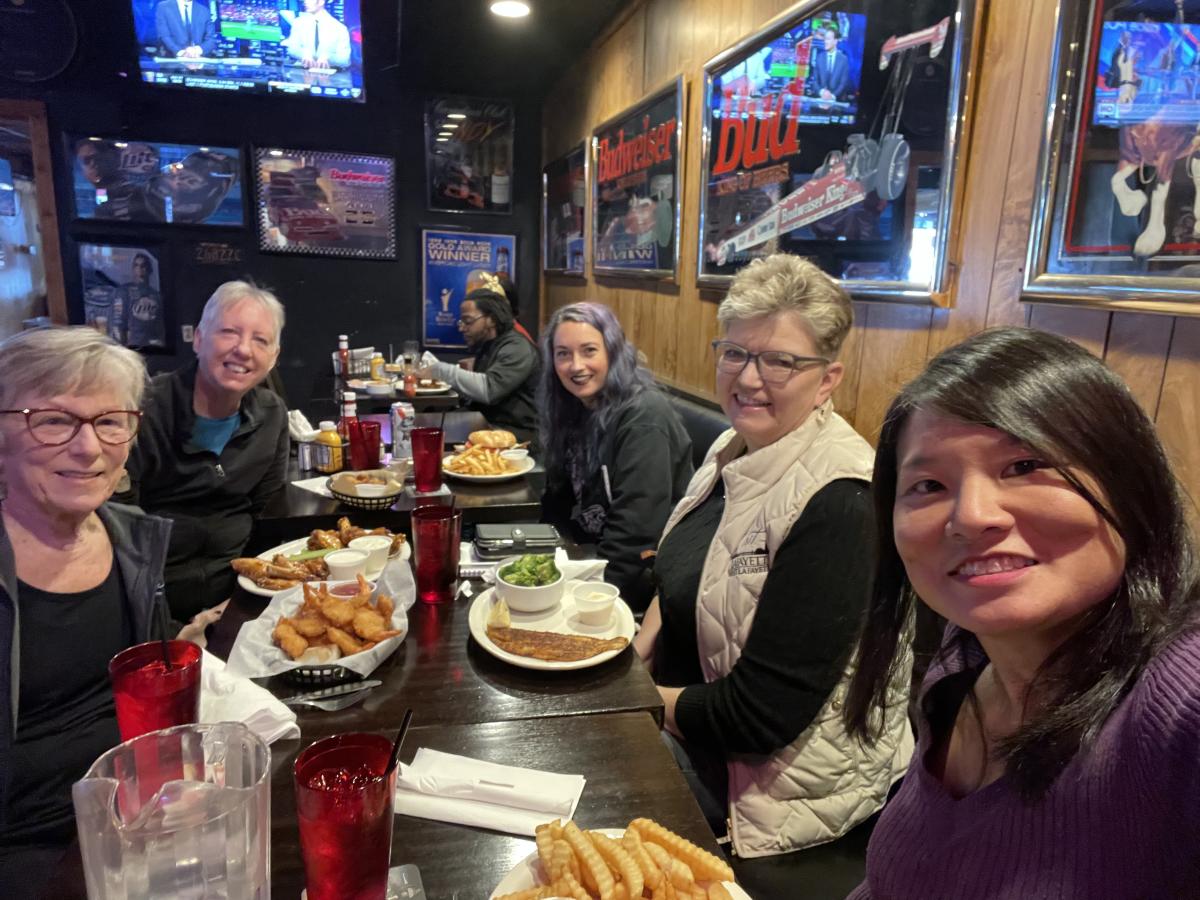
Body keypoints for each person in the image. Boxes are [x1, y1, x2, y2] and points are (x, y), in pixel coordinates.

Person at [842, 327, 1200, 898]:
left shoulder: (1182, 706)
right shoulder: (960, 667)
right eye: (928, 484)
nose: (972, 516)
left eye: (1026, 465)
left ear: (1131, 480)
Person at [632, 254, 913, 858]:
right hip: (691, 716)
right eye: (735, 353)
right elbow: (685, 572)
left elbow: (758, 717)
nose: (748, 378)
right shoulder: (735, 448)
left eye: (780, 360)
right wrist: (632, 656)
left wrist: (625, 698)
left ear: (828, 378)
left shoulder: (843, 502)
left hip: (767, 791)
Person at [0, 328, 173, 899]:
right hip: (31, 850)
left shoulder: (132, 542)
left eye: (109, 421)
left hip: (145, 811)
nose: (88, 448)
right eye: (52, 421)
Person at [119, 281, 289, 622]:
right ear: (198, 338)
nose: (243, 349)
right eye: (229, 332)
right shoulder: (142, 410)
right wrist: (165, 628)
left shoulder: (272, 415)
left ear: (273, 358)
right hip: (150, 606)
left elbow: (266, 516)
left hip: (238, 598)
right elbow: (120, 531)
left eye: (261, 340)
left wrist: (247, 603)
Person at [540, 302, 692, 613]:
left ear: (613, 351)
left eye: (589, 350)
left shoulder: (644, 416)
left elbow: (637, 533)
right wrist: (543, 554)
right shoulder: (574, 407)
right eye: (563, 354)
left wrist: (587, 603)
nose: (575, 365)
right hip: (591, 553)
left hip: (644, 580)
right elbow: (558, 496)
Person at [419, 282, 540, 443]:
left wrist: (440, 370)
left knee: (428, 438)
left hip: (513, 435)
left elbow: (490, 390)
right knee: (422, 427)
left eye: (468, 321)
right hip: (486, 423)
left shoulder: (517, 347)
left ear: (491, 319)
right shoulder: (488, 344)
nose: (462, 328)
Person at [281, 0, 352, 70]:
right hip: (302, 73)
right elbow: (291, 49)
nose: (305, 2)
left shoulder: (339, 28)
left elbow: (345, 60)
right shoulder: (298, 23)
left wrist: (328, 57)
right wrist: (304, 54)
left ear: (321, 1)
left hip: (329, 75)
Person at [122, 252, 165, 349]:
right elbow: (119, 323)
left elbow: (160, 325)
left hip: (152, 346)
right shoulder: (125, 292)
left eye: (143, 266)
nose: (140, 269)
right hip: (132, 345)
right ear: (133, 269)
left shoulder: (157, 295)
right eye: (136, 265)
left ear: (149, 269)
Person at [810, 25, 851, 103]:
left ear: (835, 41)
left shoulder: (843, 59)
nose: (825, 41)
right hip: (819, 101)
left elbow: (843, 83)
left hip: (836, 102)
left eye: (828, 39)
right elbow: (815, 81)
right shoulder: (820, 57)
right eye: (825, 39)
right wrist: (822, 92)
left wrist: (832, 96)